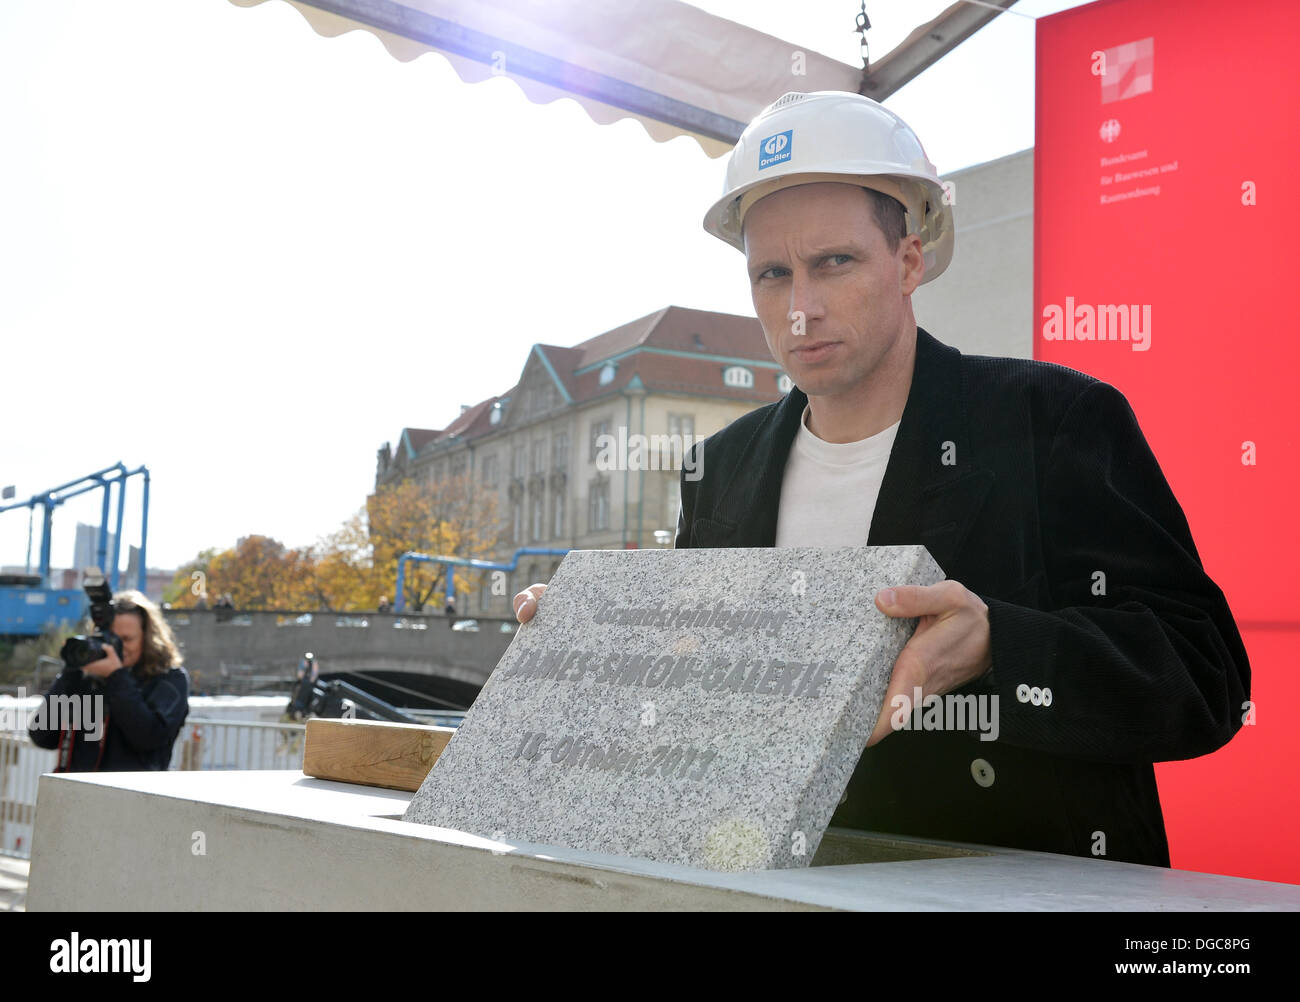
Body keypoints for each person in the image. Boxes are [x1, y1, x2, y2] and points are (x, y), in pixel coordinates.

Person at [514, 91, 1250, 868]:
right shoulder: (722, 468)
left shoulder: (1054, 420)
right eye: (772, 274)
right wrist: (607, 643)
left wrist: (1001, 645)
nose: (801, 309)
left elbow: (1205, 675)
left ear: (908, 262)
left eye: (834, 262)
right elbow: (704, 702)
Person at [28, 589, 190, 772]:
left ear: (148, 639)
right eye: (110, 638)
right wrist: (70, 675)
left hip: (129, 789)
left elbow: (149, 738)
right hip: (76, 787)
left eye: (126, 639)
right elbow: (41, 736)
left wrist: (116, 677)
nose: (116, 647)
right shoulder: (87, 677)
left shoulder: (169, 679)